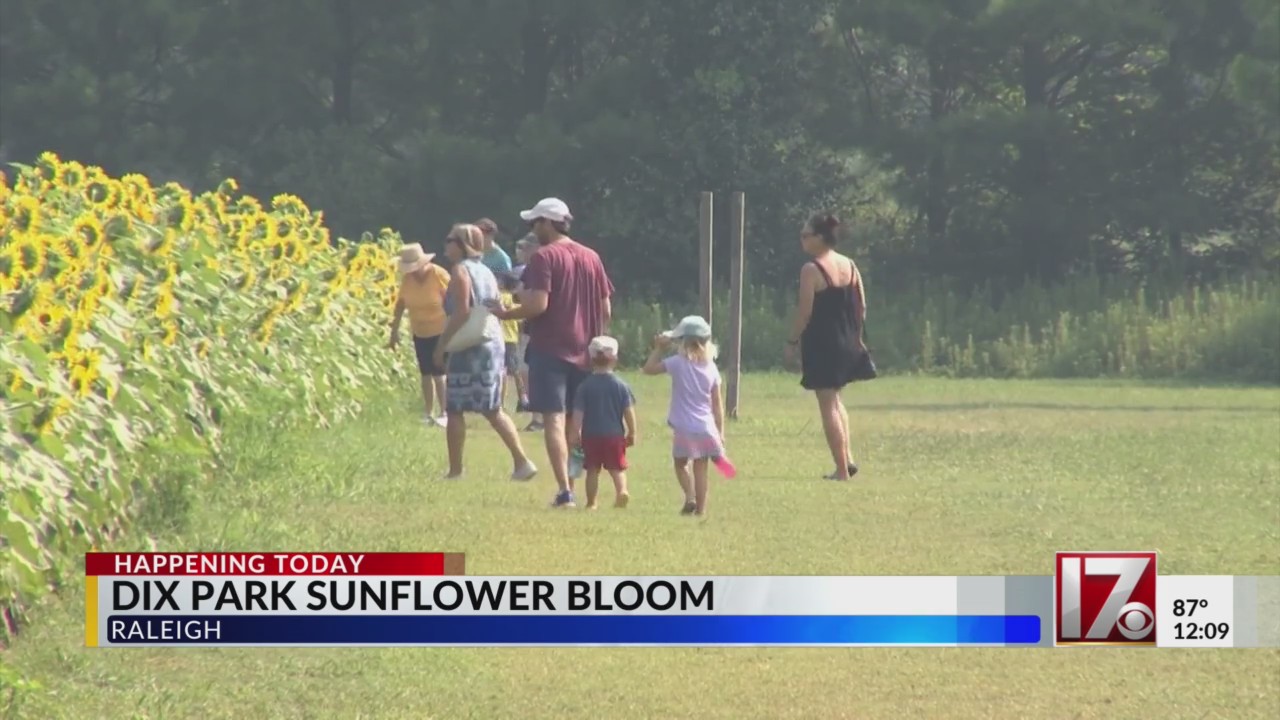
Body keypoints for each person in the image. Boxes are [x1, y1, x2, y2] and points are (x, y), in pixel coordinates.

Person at [490, 198, 614, 509]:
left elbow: (538, 305)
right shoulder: (591, 256)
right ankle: (580, 488)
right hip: (586, 351)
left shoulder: (544, 257)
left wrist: (505, 313)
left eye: (535, 223)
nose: (533, 229)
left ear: (547, 222)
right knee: (577, 422)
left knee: (554, 420)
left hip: (551, 349)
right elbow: (606, 308)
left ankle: (564, 491)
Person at [433, 223, 538, 481]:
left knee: (455, 406)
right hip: (491, 341)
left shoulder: (460, 271)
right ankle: (521, 462)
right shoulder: (486, 271)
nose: (445, 245)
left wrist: (442, 344)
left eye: (450, 240)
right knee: (492, 408)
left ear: (461, 245)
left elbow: (462, 311)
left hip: (469, 344)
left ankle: (456, 471)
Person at [784, 213, 868, 481]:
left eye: (805, 235)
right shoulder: (850, 265)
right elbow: (862, 306)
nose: (802, 240)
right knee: (837, 400)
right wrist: (856, 336)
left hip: (823, 343)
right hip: (848, 340)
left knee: (827, 404)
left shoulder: (811, 269)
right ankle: (848, 458)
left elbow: (805, 311)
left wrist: (792, 341)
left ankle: (841, 470)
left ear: (820, 238)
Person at [642, 316, 725, 517]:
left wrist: (659, 348)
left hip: (684, 428)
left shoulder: (677, 363)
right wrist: (720, 432)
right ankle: (701, 510)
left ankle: (690, 496)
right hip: (706, 427)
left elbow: (648, 369)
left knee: (680, 463)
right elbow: (717, 404)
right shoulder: (712, 368)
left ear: (683, 343)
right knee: (701, 468)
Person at [568, 336, 636, 511]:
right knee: (617, 468)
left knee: (592, 470)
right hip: (614, 436)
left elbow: (578, 414)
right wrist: (632, 433)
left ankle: (592, 503)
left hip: (591, 436)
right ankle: (622, 491)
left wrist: (575, 433)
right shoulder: (621, 386)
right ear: (615, 359)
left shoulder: (585, 386)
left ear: (591, 359)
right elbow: (629, 412)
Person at [389, 244, 450, 426]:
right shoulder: (408, 280)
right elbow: (400, 304)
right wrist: (395, 331)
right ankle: (428, 412)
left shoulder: (439, 275)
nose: (413, 272)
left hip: (441, 330)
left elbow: (453, 300)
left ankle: (445, 412)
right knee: (425, 372)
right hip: (419, 330)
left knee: (439, 372)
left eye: (415, 267)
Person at [512, 235, 538, 422]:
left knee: (528, 370)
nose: (521, 252)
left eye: (525, 248)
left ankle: (538, 416)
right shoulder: (526, 270)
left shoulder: (497, 258)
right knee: (524, 370)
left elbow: (519, 293)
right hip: (529, 326)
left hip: (537, 328)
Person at [497, 272, 522, 409]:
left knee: (503, 371)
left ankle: (500, 401)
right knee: (515, 371)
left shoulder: (500, 297)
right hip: (511, 338)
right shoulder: (513, 299)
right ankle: (523, 398)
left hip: (501, 338)